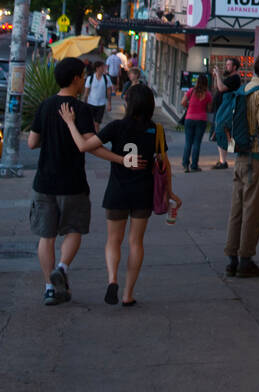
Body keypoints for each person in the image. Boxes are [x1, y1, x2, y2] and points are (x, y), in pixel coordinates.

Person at [59, 84, 180, 307]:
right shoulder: (157, 131)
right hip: (143, 193)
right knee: (136, 242)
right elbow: (164, 165)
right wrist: (169, 192)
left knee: (114, 240)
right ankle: (128, 294)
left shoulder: (117, 127)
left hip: (117, 191)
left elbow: (84, 146)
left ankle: (112, 279)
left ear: (128, 103)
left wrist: (69, 122)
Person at [27, 57, 98, 306]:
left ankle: (49, 287)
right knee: (74, 230)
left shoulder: (45, 106)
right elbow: (89, 143)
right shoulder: (82, 110)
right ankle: (63, 268)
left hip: (44, 181)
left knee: (46, 237)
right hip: (73, 183)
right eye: (82, 76)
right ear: (76, 79)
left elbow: (32, 143)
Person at [223, 51, 259, 279]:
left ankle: (232, 258)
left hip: (240, 157)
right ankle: (246, 259)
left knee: (236, 209)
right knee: (253, 211)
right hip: (256, 159)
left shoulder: (246, 88)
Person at [210, 57, 242, 169]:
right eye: (226, 64)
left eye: (229, 65)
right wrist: (216, 77)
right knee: (221, 133)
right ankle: (222, 159)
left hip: (226, 110)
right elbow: (217, 87)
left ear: (234, 67)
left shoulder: (235, 78)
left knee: (222, 132)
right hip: (221, 109)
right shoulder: (229, 78)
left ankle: (225, 160)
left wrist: (218, 74)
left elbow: (222, 88)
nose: (226, 66)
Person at [181, 75, 211, 172]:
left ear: (197, 81)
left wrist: (189, 107)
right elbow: (210, 109)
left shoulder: (191, 91)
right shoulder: (207, 94)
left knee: (188, 143)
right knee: (197, 143)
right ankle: (194, 165)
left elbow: (183, 102)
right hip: (201, 119)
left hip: (189, 118)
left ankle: (185, 165)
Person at [84, 60, 112, 126]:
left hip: (101, 104)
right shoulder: (90, 78)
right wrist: (84, 104)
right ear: (97, 68)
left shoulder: (106, 78)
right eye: (102, 67)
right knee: (90, 122)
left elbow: (109, 91)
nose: (104, 69)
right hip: (91, 103)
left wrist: (109, 103)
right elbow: (86, 92)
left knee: (97, 123)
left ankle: (96, 135)